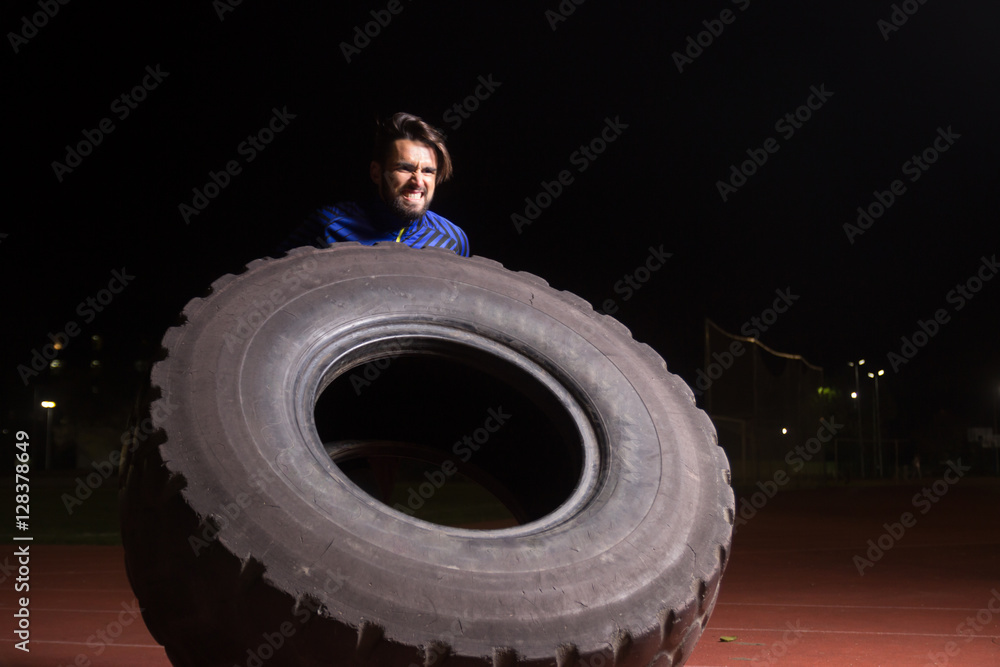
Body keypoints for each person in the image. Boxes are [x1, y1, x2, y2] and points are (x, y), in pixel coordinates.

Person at [277, 112, 469, 256]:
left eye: (428, 171)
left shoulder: (452, 240)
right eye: (405, 168)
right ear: (376, 173)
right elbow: (271, 283)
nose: (418, 181)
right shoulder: (329, 224)